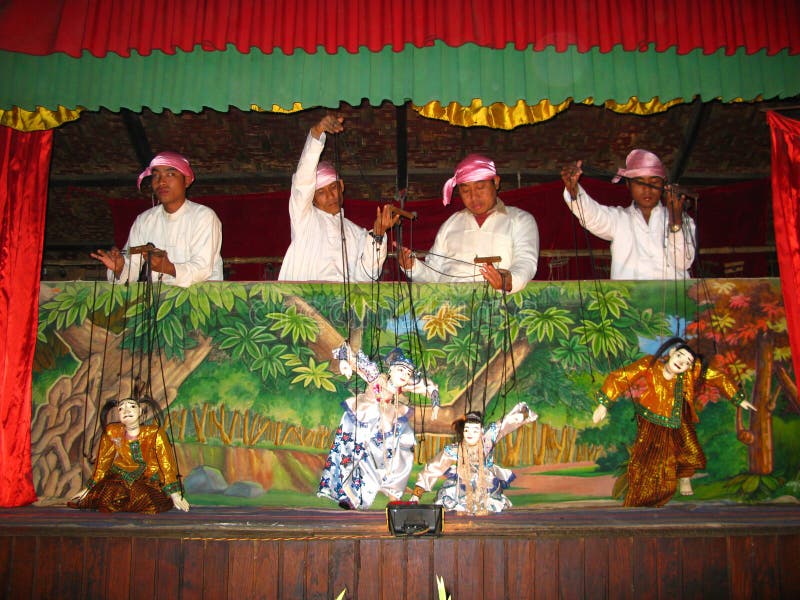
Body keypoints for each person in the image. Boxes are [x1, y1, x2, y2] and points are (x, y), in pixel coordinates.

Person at [592, 337, 756, 507]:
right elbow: (621, 377)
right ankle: (641, 498)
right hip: (652, 420)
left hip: (680, 416)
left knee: (689, 447)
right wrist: (603, 404)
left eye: (687, 362)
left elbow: (718, 377)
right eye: (680, 356)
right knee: (650, 462)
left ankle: (685, 476)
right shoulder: (650, 364)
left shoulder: (691, 372)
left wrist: (738, 398)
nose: (682, 363)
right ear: (671, 353)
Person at [317, 342, 440, 510]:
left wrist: (435, 400)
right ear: (391, 370)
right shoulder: (375, 376)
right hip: (363, 417)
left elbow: (427, 387)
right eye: (401, 370)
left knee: (396, 450)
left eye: (408, 372)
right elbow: (354, 360)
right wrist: (345, 362)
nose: (405, 375)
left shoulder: (405, 385)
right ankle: (349, 494)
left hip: (385, 422)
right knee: (353, 456)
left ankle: (391, 493)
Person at [278, 114, 400, 282]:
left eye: (333, 187)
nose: (330, 196)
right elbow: (302, 183)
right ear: (312, 198)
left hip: (341, 308)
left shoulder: (357, 234)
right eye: (320, 192)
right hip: (303, 305)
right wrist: (317, 131)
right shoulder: (304, 219)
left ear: (341, 186)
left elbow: (367, 277)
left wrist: (378, 234)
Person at [397, 154, 539, 294]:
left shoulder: (520, 220)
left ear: (495, 182)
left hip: (498, 307)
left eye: (480, 187)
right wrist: (412, 266)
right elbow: (434, 273)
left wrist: (507, 280)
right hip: (450, 307)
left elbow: (526, 263)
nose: (473, 197)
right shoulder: (451, 224)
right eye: (466, 191)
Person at [91, 151, 223, 287]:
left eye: (170, 174)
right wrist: (120, 268)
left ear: (187, 180)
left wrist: (168, 268)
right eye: (156, 176)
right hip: (159, 303)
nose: (161, 182)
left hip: (201, 300)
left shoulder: (203, 216)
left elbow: (203, 269)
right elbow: (132, 266)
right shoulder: (144, 221)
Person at [561, 149, 696, 280]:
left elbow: (683, 262)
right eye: (639, 182)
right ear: (628, 185)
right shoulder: (619, 219)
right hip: (630, 302)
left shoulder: (684, 220)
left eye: (654, 182)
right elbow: (593, 215)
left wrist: (675, 221)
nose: (647, 189)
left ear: (664, 185)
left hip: (675, 301)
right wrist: (574, 190)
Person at [408, 402, 538, 515]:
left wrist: (523, 415)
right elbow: (433, 469)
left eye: (475, 430)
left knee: (488, 505)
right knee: (452, 500)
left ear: (482, 431)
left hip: (485, 481)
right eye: (467, 430)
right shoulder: (455, 449)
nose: (470, 434)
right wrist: (416, 494)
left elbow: (505, 424)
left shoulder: (488, 439)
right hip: (461, 484)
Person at [68, 397, 190, 513]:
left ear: (140, 411)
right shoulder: (112, 432)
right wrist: (88, 489)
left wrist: (175, 495)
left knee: (143, 496)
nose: (126, 411)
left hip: (149, 479)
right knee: (109, 491)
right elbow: (103, 462)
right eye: (121, 409)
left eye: (132, 406)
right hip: (121, 476)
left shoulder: (155, 433)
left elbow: (166, 464)